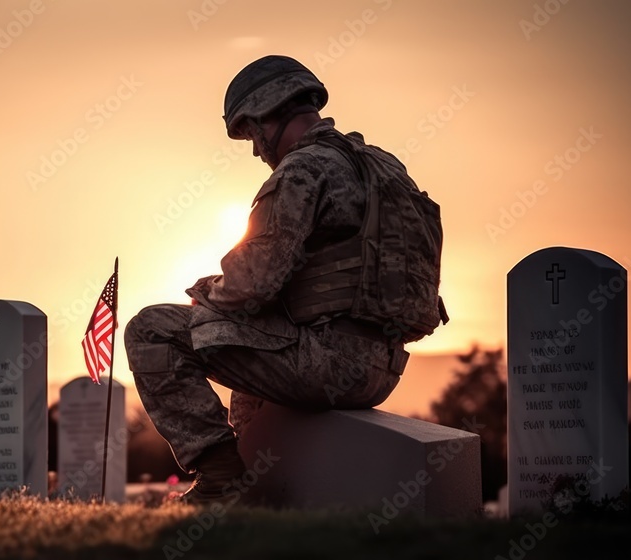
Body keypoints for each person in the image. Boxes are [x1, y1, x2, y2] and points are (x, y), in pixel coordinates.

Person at [124, 55, 448, 504]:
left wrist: (206, 293)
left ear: (270, 115)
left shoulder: (302, 170)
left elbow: (251, 282)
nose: (257, 150)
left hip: (328, 363)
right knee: (246, 352)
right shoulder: (383, 167)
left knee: (151, 329)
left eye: (254, 134)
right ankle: (257, 494)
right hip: (383, 366)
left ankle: (220, 482)